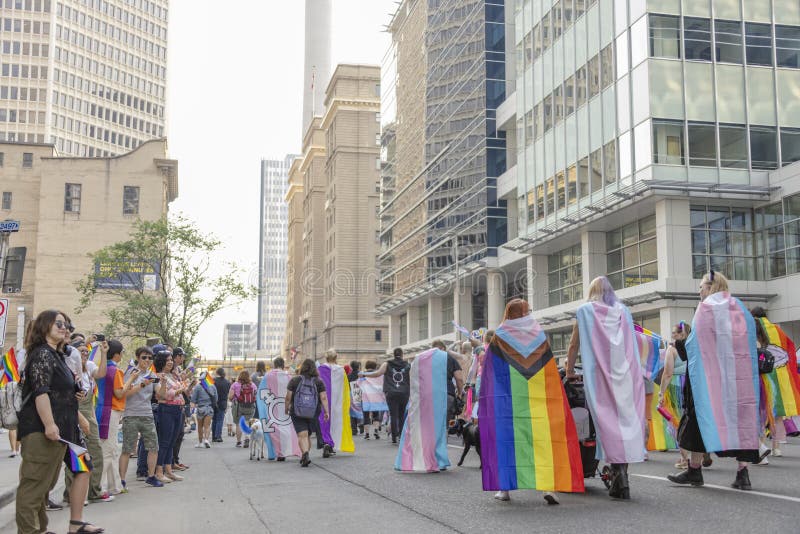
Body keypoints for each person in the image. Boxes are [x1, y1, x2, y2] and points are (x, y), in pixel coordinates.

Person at [480, 299, 583, 504]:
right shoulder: (538, 334)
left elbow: (491, 372)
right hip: (539, 400)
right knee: (543, 441)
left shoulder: (500, 335)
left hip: (510, 401)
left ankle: (505, 489)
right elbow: (550, 371)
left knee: (508, 441)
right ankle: (548, 487)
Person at [667, 271, 760, 490]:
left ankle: (695, 471)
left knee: (700, 420)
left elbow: (694, 351)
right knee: (741, 422)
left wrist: (680, 342)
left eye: (701, 286)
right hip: (738, 379)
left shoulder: (705, 309)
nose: (699, 290)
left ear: (711, 287)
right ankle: (742, 473)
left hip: (708, 381)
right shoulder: (739, 308)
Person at [16, 310, 104, 534]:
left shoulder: (57, 355)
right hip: (42, 430)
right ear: (45, 326)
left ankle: (74, 524)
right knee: (34, 486)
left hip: (66, 430)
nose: (65, 328)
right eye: (59, 324)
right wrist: (49, 424)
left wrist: (79, 415)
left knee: (82, 466)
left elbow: (60, 394)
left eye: (67, 325)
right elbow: (40, 392)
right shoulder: (41, 354)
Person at [566, 276, 646, 500]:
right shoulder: (623, 311)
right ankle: (622, 473)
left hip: (600, 376)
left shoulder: (585, 311)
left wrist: (570, 370)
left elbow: (574, 345)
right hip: (628, 375)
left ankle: (618, 473)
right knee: (626, 422)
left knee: (607, 422)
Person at [62, 339, 112, 504]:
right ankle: (71, 494)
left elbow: (101, 374)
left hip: (88, 413)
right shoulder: (67, 368)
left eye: (86, 351)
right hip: (71, 411)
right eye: (81, 351)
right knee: (76, 452)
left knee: (95, 451)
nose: (84, 354)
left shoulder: (89, 366)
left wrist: (104, 353)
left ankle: (94, 491)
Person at [751, 307, 800, 461]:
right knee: (777, 413)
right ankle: (776, 448)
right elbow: (790, 347)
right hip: (780, 374)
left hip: (763, 375)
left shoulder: (755, 327)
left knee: (762, 413)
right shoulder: (778, 330)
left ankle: (761, 447)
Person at [118, 346, 162, 489]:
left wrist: (164, 383)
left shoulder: (152, 374)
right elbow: (125, 393)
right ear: (138, 358)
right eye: (144, 357)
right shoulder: (131, 372)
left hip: (147, 414)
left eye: (150, 358)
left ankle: (151, 476)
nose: (147, 360)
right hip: (131, 414)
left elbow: (161, 395)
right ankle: (122, 480)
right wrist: (143, 384)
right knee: (127, 449)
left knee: (153, 447)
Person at [659, 322, 692, 469]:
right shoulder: (693, 346)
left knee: (678, 423)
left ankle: (685, 459)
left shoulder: (672, 349)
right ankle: (698, 454)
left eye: (675, 333)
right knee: (692, 421)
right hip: (692, 384)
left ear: (681, 334)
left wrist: (661, 392)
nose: (672, 335)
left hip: (676, 387)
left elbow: (667, 373)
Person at [94, 339, 125, 496]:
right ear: (117, 355)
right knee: (108, 450)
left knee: (111, 450)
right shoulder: (116, 371)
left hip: (102, 409)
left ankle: (114, 485)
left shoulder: (103, 368)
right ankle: (101, 487)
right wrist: (132, 380)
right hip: (111, 411)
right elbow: (119, 393)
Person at [285, 358, 329, 467]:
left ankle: (304, 454)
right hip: (313, 411)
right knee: (307, 435)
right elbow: (323, 397)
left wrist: (286, 408)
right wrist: (326, 411)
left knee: (302, 435)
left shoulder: (295, 380)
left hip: (297, 411)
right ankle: (306, 454)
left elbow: (288, 397)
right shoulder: (319, 381)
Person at [362, 348, 410, 444]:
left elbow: (377, 374)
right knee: (401, 415)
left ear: (393, 354)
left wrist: (364, 374)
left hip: (391, 392)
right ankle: (401, 436)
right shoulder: (408, 365)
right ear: (402, 354)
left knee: (393, 415)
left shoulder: (386, 364)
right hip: (404, 392)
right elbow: (412, 377)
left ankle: (394, 438)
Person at [154, 349, 186, 484]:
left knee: (172, 441)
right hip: (166, 409)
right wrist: (180, 390)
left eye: (171, 360)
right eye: (167, 360)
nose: (170, 362)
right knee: (165, 441)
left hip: (177, 410)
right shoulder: (157, 376)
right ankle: (159, 471)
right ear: (161, 361)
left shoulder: (173, 376)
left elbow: (179, 391)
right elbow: (163, 395)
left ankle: (169, 469)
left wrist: (184, 387)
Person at [316, 349, 355, 457]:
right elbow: (345, 389)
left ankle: (326, 443)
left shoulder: (320, 369)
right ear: (336, 358)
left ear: (326, 357)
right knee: (336, 423)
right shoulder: (341, 370)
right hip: (337, 401)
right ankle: (330, 444)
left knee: (324, 422)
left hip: (324, 401)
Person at [431, 340, 465, 424]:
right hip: (447, 394)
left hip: (430, 394)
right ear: (443, 348)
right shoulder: (450, 359)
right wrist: (460, 394)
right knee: (444, 424)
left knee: (432, 424)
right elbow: (459, 379)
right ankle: (443, 435)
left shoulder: (427, 359)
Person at [169, 347, 192, 471]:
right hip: (172, 405)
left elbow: (185, 390)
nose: (183, 358)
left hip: (180, 404)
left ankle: (175, 460)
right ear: (177, 356)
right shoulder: (172, 370)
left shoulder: (178, 369)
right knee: (174, 435)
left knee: (179, 434)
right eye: (182, 356)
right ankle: (171, 462)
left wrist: (188, 384)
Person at [229, 370, 257, 447]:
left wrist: (235, 398)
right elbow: (256, 396)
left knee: (238, 424)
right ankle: (247, 438)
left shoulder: (235, 385)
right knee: (248, 422)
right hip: (250, 406)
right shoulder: (253, 385)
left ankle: (238, 442)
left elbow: (230, 397)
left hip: (238, 406)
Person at [191, 372, 218, 448]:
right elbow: (216, 399)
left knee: (200, 426)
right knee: (207, 426)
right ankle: (206, 440)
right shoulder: (213, 386)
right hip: (209, 408)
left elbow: (193, 399)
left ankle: (200, 443)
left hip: (200, 409)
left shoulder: (197, 387)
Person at [211, 368, 231, 443]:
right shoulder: (227, 382)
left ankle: (213, 436)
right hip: (222, 403)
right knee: (220, 420)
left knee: (214, 420)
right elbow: (228, 393)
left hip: (213, 403)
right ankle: (218, 436)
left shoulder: (212, 381)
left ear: (217, 373)